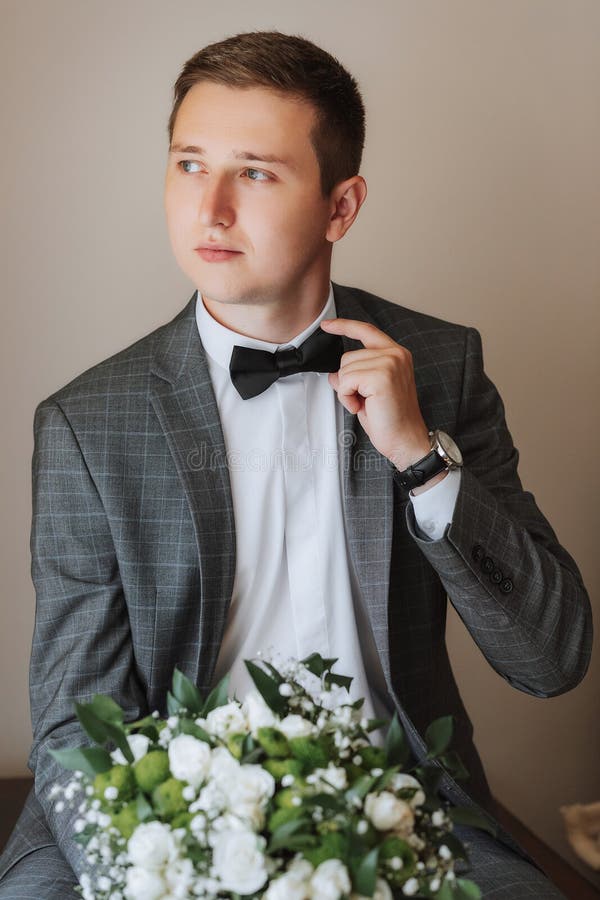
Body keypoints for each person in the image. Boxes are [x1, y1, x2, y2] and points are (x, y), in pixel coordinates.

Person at [0, 30, 592, 899]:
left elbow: (553, 659)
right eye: (190, 165)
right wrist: (155, 870)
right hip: (161, 807)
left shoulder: (442, 367)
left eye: (255, 173)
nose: (210, 210)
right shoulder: (87, 423)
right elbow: (72, 724)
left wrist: (421, 457)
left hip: (398, 805)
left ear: (340, 207)